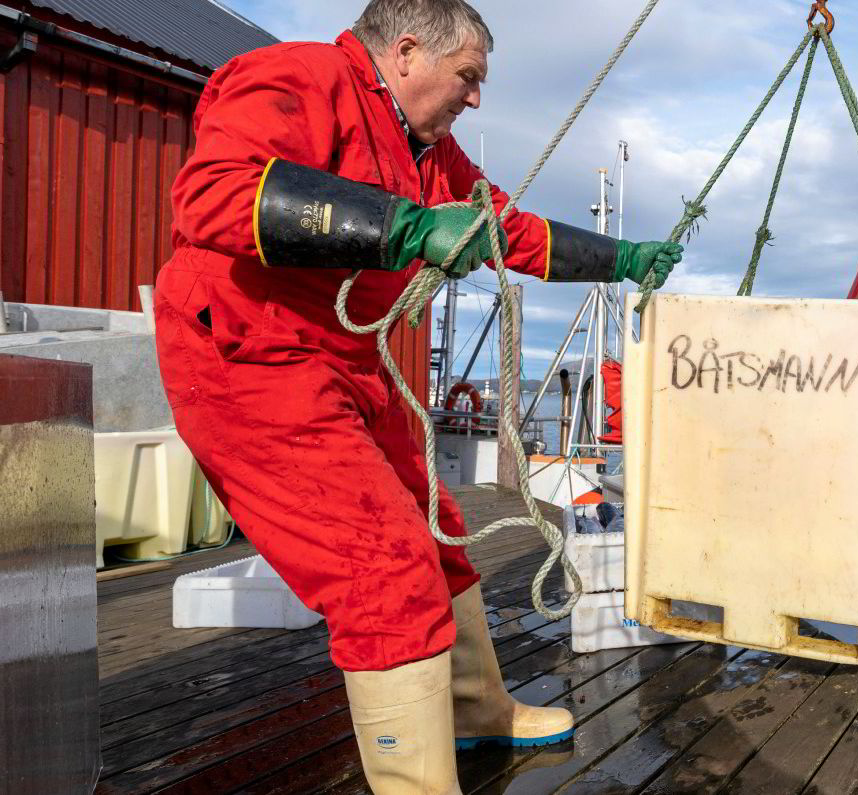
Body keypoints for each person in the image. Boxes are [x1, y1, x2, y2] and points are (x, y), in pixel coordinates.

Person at [149, 1, 682, 792]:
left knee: (438, 532)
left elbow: (507, 230)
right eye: (468, 77)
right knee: (382, 571)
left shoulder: (428, 149)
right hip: (246, 352)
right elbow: (215, 195)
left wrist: (621, 257)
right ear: (405, 54)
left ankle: (473, 709)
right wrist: (402, 227)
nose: (475, 98)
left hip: (345, 357)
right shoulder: (294, 76)